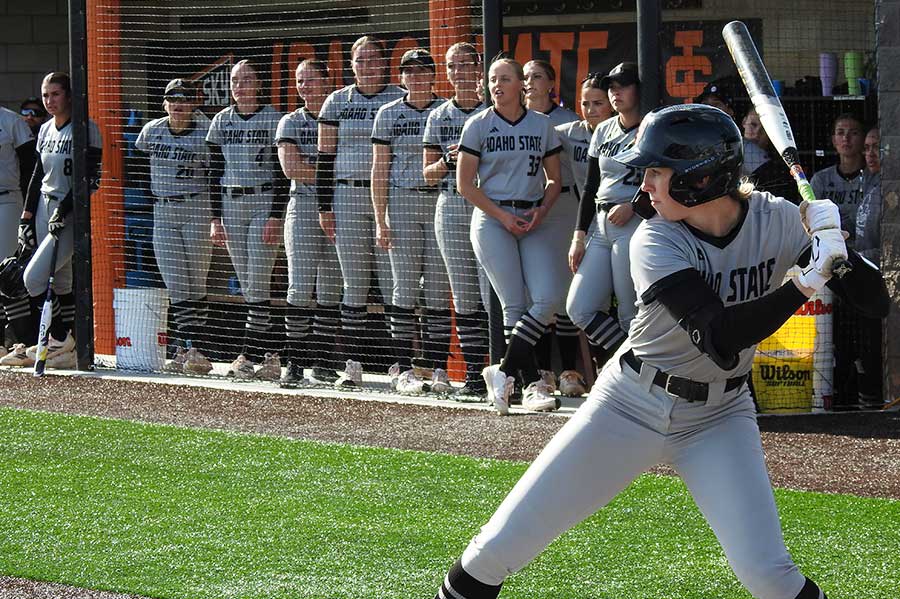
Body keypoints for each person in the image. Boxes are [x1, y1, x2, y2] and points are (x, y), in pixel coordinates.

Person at [433, 103, 889, 599]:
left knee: (770, 577)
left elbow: (876, 303)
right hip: (630, 405)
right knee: (495, 551)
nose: (643, 185)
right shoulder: (654, 239)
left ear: (700, 180)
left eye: (655, 172)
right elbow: (719, 337)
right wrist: (806, 281)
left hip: (720, 415)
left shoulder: (777, 219)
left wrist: (836, 246)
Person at [457, 57, 565, 414]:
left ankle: (502, 374)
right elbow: (464, 185)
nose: (497, 85)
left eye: (505, 78)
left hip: (532, 217)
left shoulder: (542, 124)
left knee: (547, 298)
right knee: (514, 306)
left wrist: (541, 211)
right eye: (492, 79)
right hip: (492, 219)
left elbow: (555, 181)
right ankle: (532, 386)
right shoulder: (478, 124)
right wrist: (502, 216)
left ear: (522, 84)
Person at [316, 35, 404, 388]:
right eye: (359, 59)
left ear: (383, 62)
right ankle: (352, 365)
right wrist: (324, 206)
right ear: (350, 65)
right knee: (353, 284)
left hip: (389, 198)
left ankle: (402, 367)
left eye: (372, 58)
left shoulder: (399, 96)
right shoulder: (336, 101)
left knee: (393, 283)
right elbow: (324, 158)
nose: (366, 65)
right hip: (346, 195)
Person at [4, 72, 102, 370]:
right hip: (45, 209)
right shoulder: (45, 129)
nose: (49, 101)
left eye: (55, 94)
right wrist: (26, 216)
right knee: (60, 283)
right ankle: (66, 347)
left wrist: (67, 208)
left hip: (71, 213)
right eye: (46, 95)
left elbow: (89, 178)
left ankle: (59, 337)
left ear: (69, 95)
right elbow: (37, 176)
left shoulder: (86, 128)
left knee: (32, 278)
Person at [371, 48, 450, 394]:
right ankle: (402, 368)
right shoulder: (388, 113)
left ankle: (439, 369)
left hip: (439, 201)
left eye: (422, 70)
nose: (415, 76)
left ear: (434, 74)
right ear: (400, 76)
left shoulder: (445, 110)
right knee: (402, 287)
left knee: (436, 291)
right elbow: (379, 167)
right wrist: (380, 219)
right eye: (408, 71)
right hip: (401, 202)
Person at [206, 59, 287, 380]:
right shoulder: (220, 121)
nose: (239, 86)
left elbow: (282, 175)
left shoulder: (274, 118)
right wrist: (215, 218)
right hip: (230, 205)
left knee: (257, 281)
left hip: (263, 201)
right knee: (249, 284)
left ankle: (249, 354)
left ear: (259, 83)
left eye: (246, 79)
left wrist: (275, 216)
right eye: (235, 81)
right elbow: (213, 172)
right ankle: (270, 354)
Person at [566, 62, 642, 376]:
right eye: (611, 87)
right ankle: (633, 369)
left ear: (639, 88)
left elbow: (666, 178)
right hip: (599, 224)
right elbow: (590, 185)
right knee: (579, 308)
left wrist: (636, 205)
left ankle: (636, 382)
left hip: (634, 222)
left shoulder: (652, 125)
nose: (615, 93)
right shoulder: (604, 129)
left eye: (622, 86)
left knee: (629, 312)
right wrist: (579, 235)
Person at [134, 78, 213, 375]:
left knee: (195, 283)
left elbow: (217, 172)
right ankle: (185, 349)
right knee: (177, 283)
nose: (178, 103)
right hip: (163, 208)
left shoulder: (206, 130)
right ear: (164, 102)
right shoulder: (151, 130)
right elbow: (137, 167)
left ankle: (197, 350)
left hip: (197, 206)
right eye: (172, 97)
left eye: (185, 97)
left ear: (195, 102)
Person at [423, 42, 489, 398]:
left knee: (490, 289)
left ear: (478, 66)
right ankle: (475, 377)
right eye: (451, 66)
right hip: (450, 204)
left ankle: (505, 373)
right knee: (463, 295)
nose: (459, 72)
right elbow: (427, 174)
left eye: (465, 64)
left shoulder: (491, 109)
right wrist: (450, 161)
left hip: (488, 204)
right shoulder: (438, 115)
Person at [275, 59, 344, 388]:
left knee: (331, 286)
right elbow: (291, 168)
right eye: (299, 80)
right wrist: (334, 174)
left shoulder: (339, 114)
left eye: (310, 79)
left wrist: (322, 172)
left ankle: (325, 362)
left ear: (326, 80)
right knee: (299, 286)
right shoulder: (290, 121)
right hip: (302, 205)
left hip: (337, 206)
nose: (304, 86)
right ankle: (294, 362)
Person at [522, 59, 585, 397]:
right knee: (538, 296)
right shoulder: (514, 119)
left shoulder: (569, 121)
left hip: (564, 207)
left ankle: (570, 372)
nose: (530, 82)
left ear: (551, 83)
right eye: (526, 77)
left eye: (537, 76)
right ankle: (543, 373)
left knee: (566, 294)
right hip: (528, 210)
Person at [553, 71, 614, 390]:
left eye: (598, 103)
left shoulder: (620, 133)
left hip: (619, 224)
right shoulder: (567, 132)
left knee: (613, 304)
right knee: (577, 302)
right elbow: (537, 135)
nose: (590, 109)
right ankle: (573, 372)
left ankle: (612, 370)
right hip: (581, 226)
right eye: (585, 103)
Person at [848, 126, 884, 407]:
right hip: (866, 275)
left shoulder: (891, 185)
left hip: (886, 280)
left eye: (877, 147)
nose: (870, 153)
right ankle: (866, 401)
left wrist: (856, 255)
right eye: (868, 147)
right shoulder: (869, 181)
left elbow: (892, 246)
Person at [0, 102, 37, 357]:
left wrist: (28, 208)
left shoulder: (10, 120)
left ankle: (22, 342)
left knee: (8, 272)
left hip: (7, 198)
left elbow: (30, 167)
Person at [810, 113, 866, 244]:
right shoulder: (820, 179)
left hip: (862, 250)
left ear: (864, 139)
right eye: (840, 133)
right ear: (834, 140)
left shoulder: (873, 180)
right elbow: (810, 218)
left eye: (854, 133)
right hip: (828, 247)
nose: (846, 138)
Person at [740, 107, 800, 203]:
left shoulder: (780, 171)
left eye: (765, 128)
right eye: (753, 124)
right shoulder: (728, 155)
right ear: (744, 122)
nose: (757, 133)